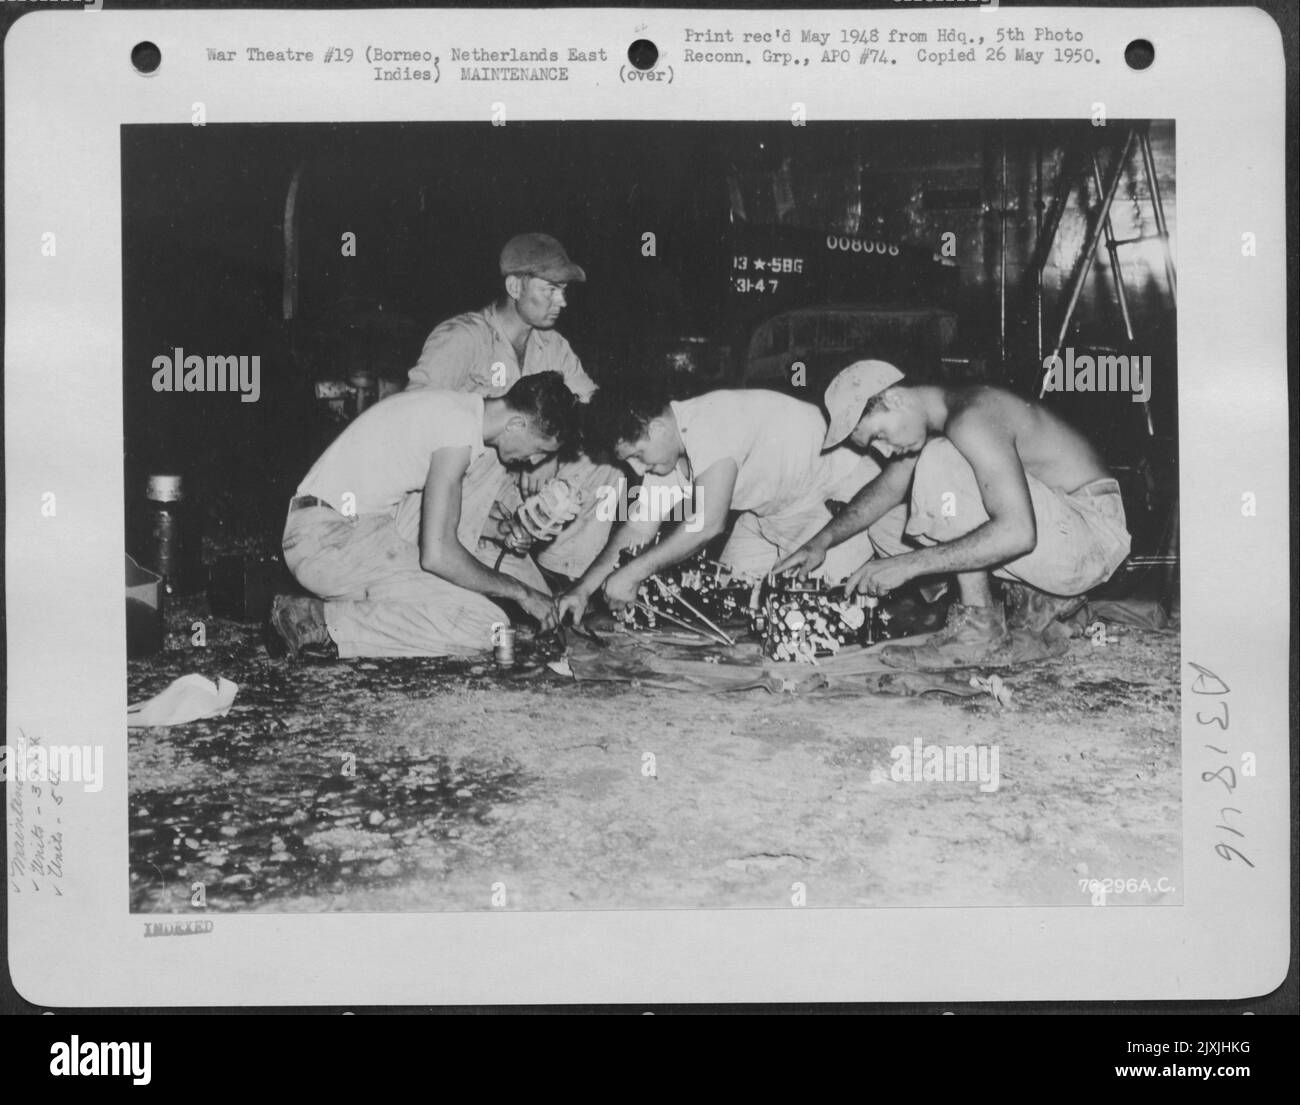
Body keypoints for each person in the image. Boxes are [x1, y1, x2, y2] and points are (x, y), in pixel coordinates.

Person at [774, 360, 1132, 668]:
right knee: (886, 526)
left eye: (879, 436)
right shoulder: (944, 417)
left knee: (939, 462)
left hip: (1091, 535)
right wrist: (820, 542)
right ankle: (1036, 597)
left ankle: (978, 629)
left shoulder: (971, 419)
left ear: (894, 398)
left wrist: (908, 565)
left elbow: (1019, 533)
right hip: (1064, 536)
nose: (883, 451)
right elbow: (886, 490)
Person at [268, 372, 578, 659]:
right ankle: (318, 620)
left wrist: (497, 529)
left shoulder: (456, 411)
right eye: (539, 450)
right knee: (488, 624)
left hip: (336, 533)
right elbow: (438, 555)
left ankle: (336, 615)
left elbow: (432, 517)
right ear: (516, 425)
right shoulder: (457, 433)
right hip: (330, 541)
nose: (534, 461)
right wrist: (521, 592)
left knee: (473, 608)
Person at [556, 382, 881, 625]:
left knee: (810, 623)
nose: (637, 470)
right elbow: (637, 527)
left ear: (656, 428)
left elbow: (708, 523)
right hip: (770, 514)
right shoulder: (666, 452)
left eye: (637, 456)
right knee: (725, 606)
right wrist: (583, 589)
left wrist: (632, 573)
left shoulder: (709, 421)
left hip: (836, 501)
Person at [405, 232, 621, 581]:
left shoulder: (552, 346)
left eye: (564, 291)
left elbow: (593, 413)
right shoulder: (464, 337)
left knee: (606, 464)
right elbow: (413, 418)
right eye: (551, 289)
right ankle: (477, 545)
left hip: (515, 481)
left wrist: (550, 455)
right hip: (461, 483)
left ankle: (559, 576)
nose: (562, 301)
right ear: (515, 287)